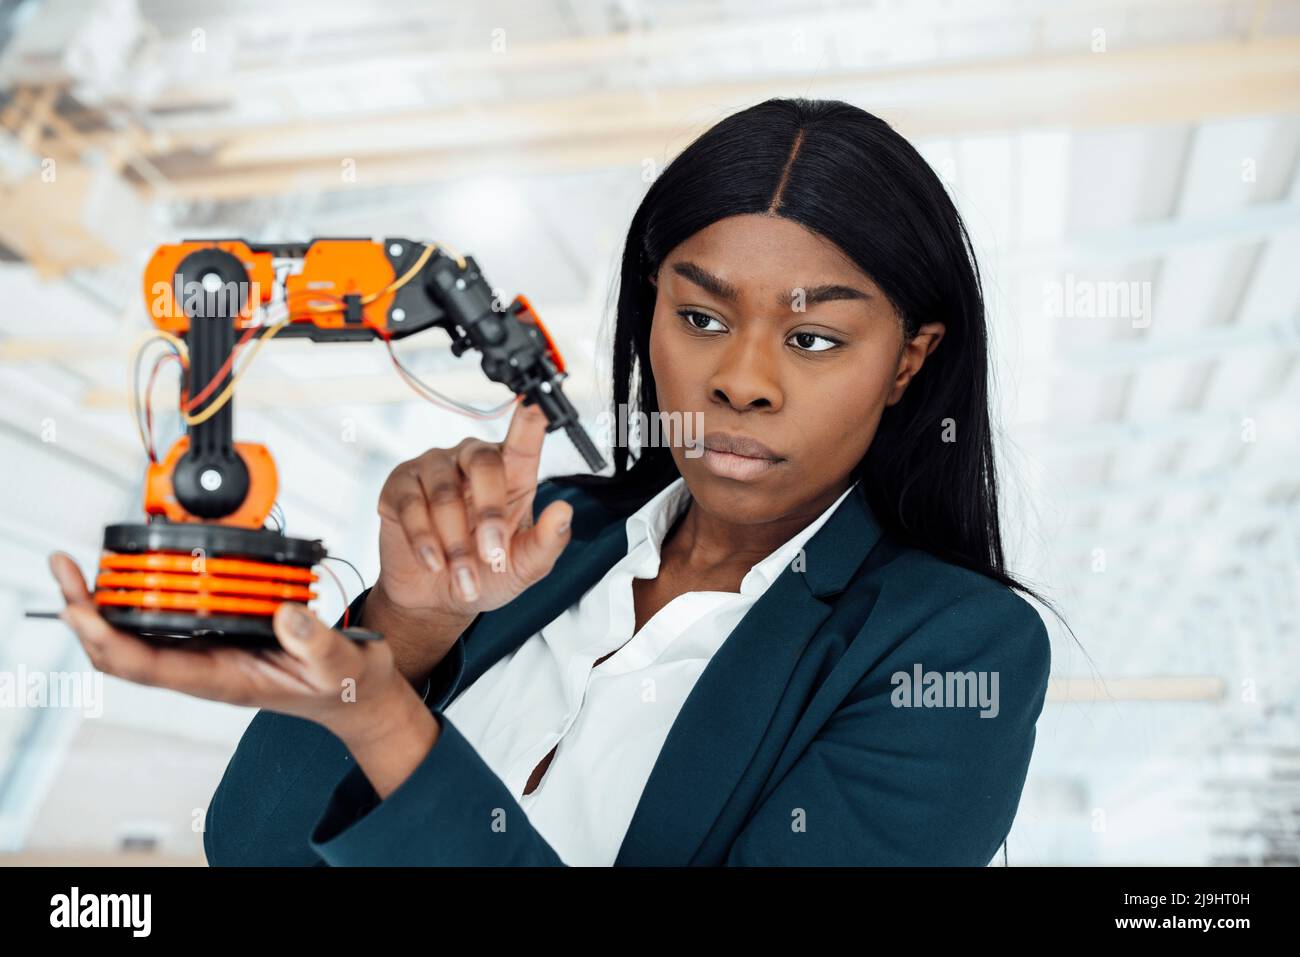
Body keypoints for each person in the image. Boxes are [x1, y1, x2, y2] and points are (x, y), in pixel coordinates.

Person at [49, 97, 1056, 866]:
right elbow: (255, 849)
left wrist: (383, 717)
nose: (741, 382)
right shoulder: (545, 533)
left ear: (910, 360)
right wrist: (402, 631)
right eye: (699, 318)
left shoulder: (955, 650)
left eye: (813, 337)